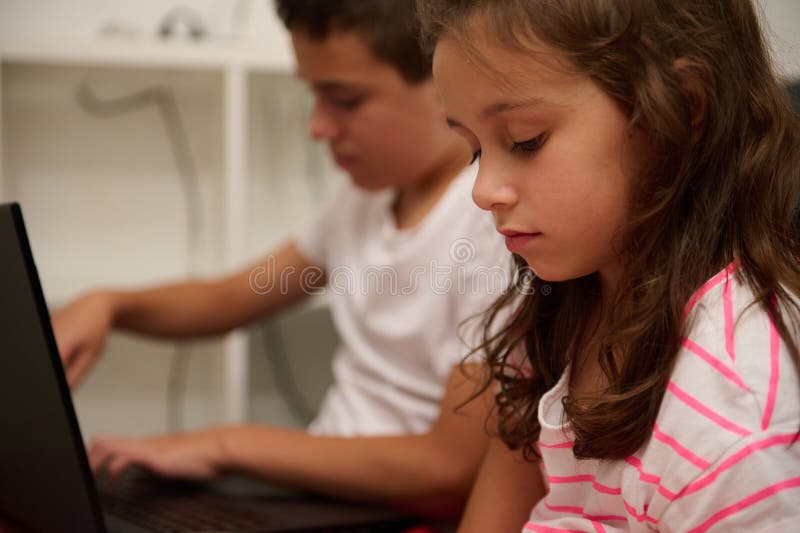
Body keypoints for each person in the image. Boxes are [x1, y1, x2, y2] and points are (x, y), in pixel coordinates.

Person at [53, 0, 505, 517]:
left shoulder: (492, 221)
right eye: (314, 95)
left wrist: (223, 445)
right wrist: (109, 304)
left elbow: (445, 469)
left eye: (345, 100)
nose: (318, 127)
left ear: (443, 80)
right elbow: (229, 298)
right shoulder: (363, 200)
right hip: (329, 501)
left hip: (407, 513)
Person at [417, 0, 800, 531]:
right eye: (476, 150)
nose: (483, 192)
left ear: (683, 109)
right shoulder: (567, 306)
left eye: (526, 140)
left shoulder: (731, 418)